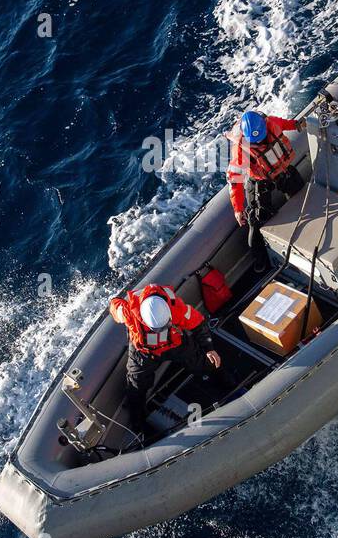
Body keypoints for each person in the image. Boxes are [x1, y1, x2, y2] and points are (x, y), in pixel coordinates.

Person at [109, 283, 232, 438]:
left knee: (203, 361)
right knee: (136, 384)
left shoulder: (176, 308)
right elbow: (115, 305)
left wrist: (209, 348)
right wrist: (116, 306)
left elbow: (198, 324)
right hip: (144, 352)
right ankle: (138, 420)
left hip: (175, 343)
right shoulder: (128, 312)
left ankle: (220, 377)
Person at [226, 110, 307, 272]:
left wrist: (296, 125)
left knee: (301, 196)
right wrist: (238, 209)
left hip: (280, 169)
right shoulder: (240, 150)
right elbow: (235, 180)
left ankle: (305, 237)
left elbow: (285, 123)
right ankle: (260, 260)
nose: (261, 141)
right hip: (259, 179)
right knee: (256, 220)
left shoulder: (270, 122)